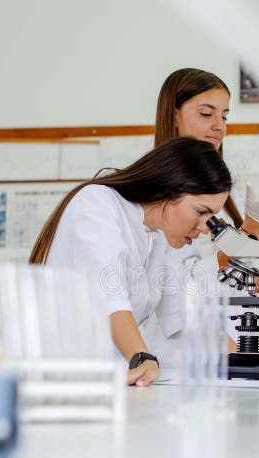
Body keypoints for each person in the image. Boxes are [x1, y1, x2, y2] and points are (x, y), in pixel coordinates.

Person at [29, 137, 233, 387]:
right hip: (58, 380)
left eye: (212, 217)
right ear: (167, 189)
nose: (205, 228)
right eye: (201, 212)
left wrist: (252, 362)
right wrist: (142, 357)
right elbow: (108, 296)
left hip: (107, 383)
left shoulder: (158, 234)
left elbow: (183, 316)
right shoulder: (97, 204)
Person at [154, 68, 259, 262]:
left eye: (224, 116)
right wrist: (252, 231)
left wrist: (257, 247)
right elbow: (182, 281)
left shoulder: (225, 193)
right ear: (174, 116)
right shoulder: (153, 196)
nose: (219, 126)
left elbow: (244, 280)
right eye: (206, 114)